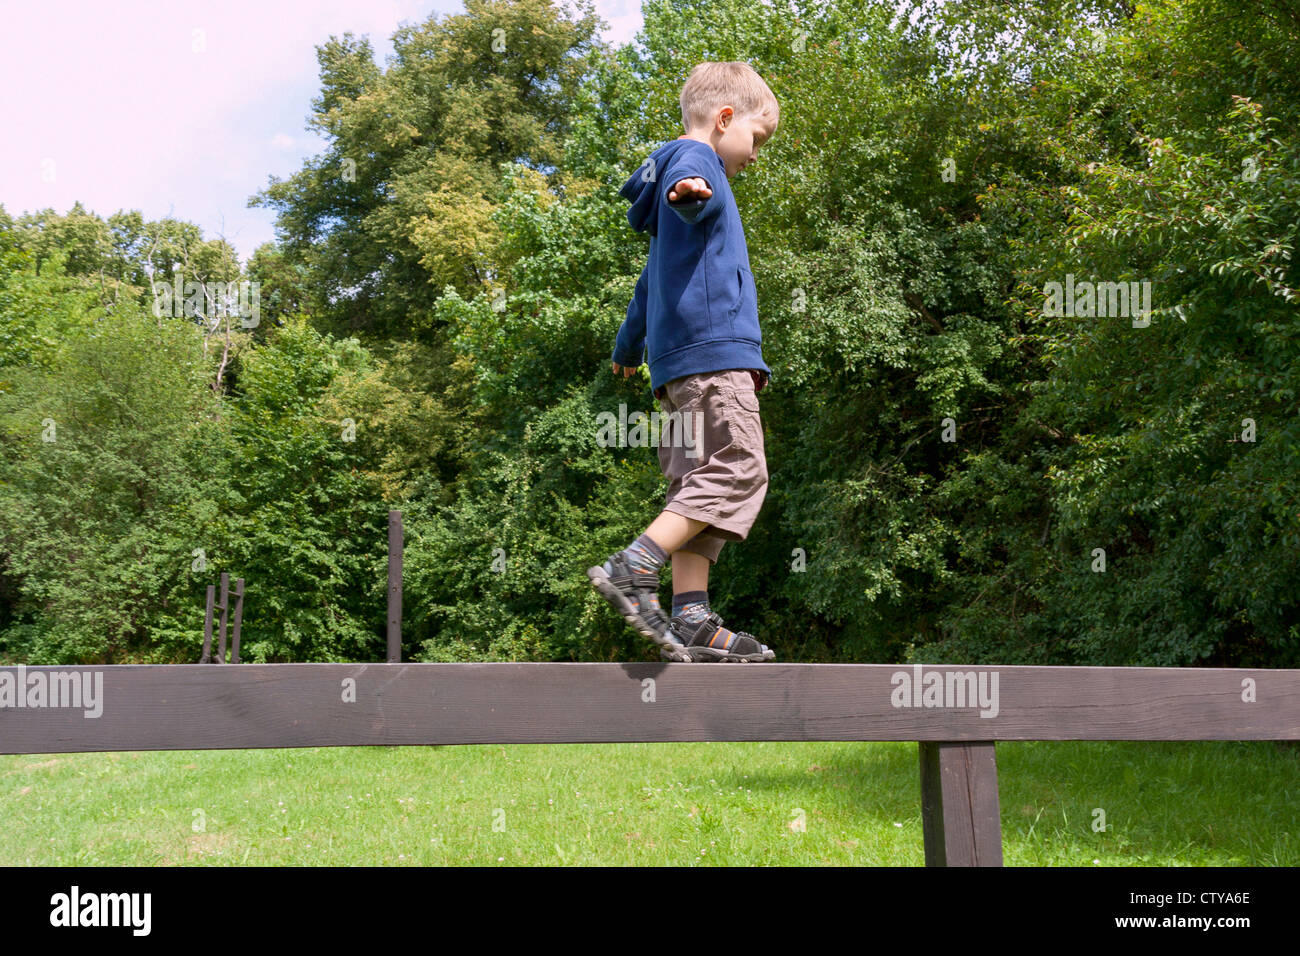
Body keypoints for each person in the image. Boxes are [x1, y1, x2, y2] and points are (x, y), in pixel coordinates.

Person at [587, 61, 779, 663]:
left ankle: (691, 615)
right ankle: (634, 565)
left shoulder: (675, 199)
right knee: (739, 467)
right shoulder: (697, 162)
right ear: (724, 119)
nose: (755, 155)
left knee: (696, 486)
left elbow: (650, 281)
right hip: (713, 359)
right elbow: (688, 176)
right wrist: (693, 190)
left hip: (676, 370)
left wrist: (628, 345)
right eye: (756, 138)